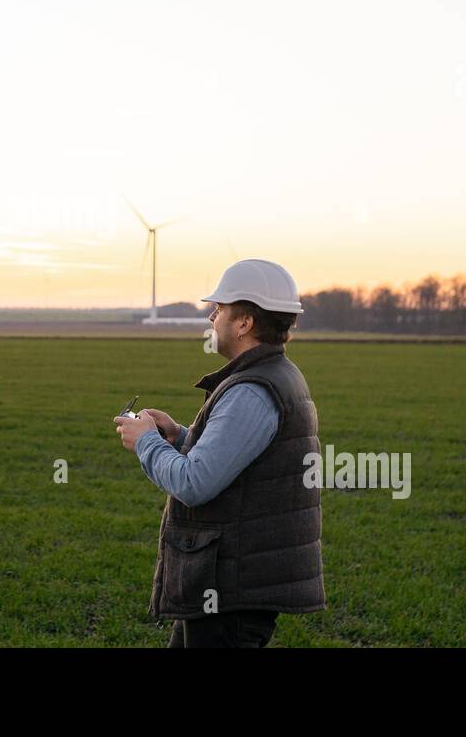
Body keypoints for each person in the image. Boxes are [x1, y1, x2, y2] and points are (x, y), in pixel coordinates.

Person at [113, 259, 326, 647]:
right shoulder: (278, 375)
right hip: (227, 583)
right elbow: (239, 458)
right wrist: (178, 436)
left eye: (220, 308)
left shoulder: (251, 390)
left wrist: (146, 442)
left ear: (244, 322)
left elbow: (194, 483)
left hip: (231, 589)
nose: (211, 316)